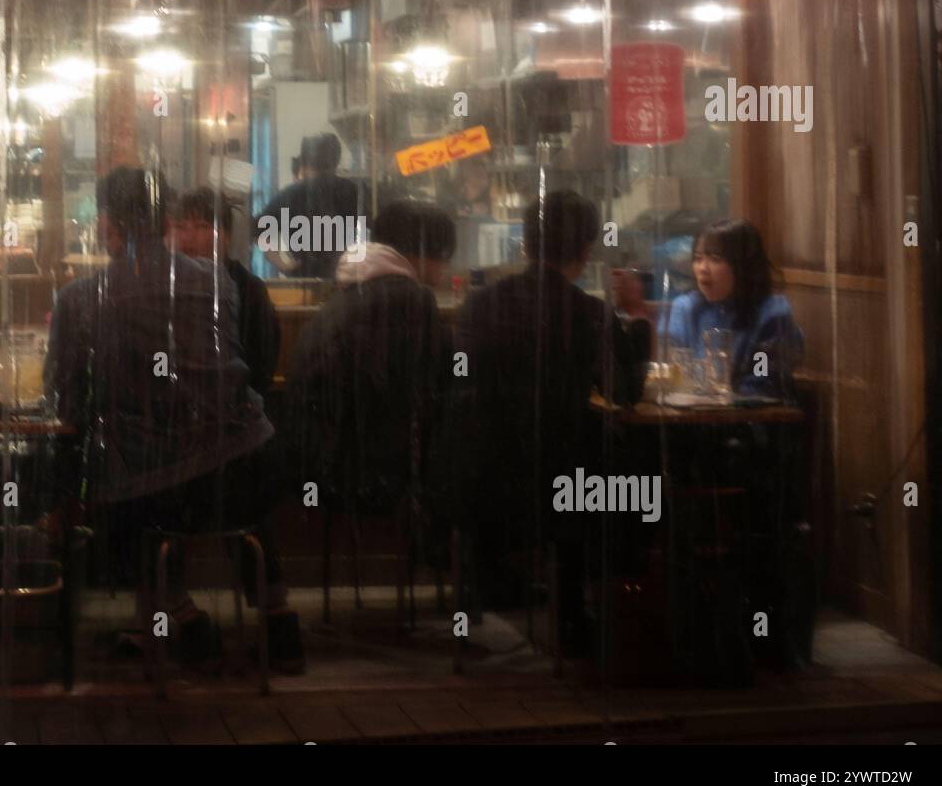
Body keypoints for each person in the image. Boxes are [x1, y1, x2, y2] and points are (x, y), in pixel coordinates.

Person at [45, 167, 304, 672]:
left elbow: (66, 404)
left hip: (157, 488)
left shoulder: (79, 299)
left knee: (110, 488)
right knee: (228, 460)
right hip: (245, 474)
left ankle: (179, 621)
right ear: (165, 220)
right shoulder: (218, 283)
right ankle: (279, 621)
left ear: (105, 225)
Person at [454, 190, 651, 630]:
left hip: (481, 474)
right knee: (635, 474)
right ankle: (581, 613)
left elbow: (459, 380)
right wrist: (635, 330)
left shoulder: (478, 304)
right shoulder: (588, 312)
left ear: (525, 245)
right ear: (585, 250)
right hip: (559, 476)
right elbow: (622, 392)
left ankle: (488, 585)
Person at [285, 200, 455, 527]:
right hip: (357, 474)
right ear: (422, 252)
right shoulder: (410, 299)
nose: (444, 269)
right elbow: (439, 384)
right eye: (443, 257)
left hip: (314, 464)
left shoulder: (352, 289)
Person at [658, 218, 803, 399]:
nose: (703, 268)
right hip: (688, 417)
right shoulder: (686, 308)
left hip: (746, 420)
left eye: (715, 259)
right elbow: (670, 373)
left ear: (743, 266)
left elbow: (763, 382)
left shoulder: (771, 314)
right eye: (697, 258)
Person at [170, 187, 281, 395]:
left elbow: (259, 367)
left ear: (226, 236)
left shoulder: (249, 290)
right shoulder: (165, 285)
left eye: (202, 226)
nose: (188, 236)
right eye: (180, 226)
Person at [257, 132, 363, 278]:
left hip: (303, 281)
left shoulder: (289, 194)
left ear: (304, 161)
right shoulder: (353, 191)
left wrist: (284, 265)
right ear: (336, 159)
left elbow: (260, 234)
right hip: (347, 279)